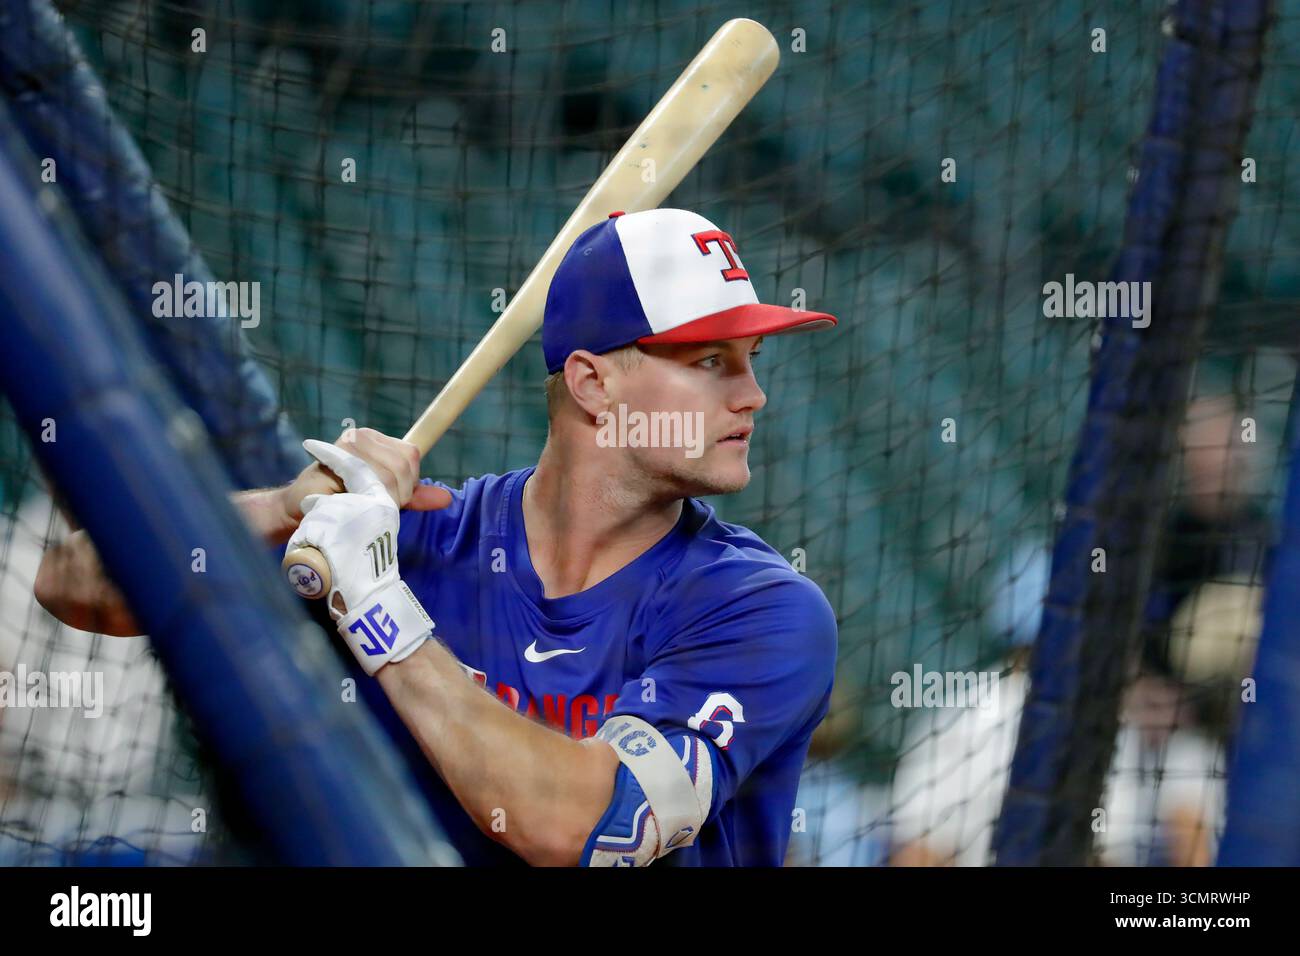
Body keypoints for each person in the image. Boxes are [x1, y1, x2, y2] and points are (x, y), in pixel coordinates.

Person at [34, 208, 840, 867]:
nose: (755, 395)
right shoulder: (418, 536)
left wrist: (377, 607)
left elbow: (583, 828)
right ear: (596, 385)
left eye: (753, 358)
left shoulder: (761, 610)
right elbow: (73, 581)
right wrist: (288, 507)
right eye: (711, 362)